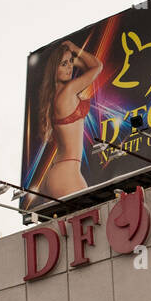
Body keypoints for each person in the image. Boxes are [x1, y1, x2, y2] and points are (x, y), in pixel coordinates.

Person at [36, 40, 102, 198]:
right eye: (63, 64)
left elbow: (90, 71)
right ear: (54, 70)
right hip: (66, 174)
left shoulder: (57, 96)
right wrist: (75, 49)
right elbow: (97, 67)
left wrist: (73, 60)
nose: (69, 67)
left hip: (62, 172)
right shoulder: (68, 91)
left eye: (71, 62)